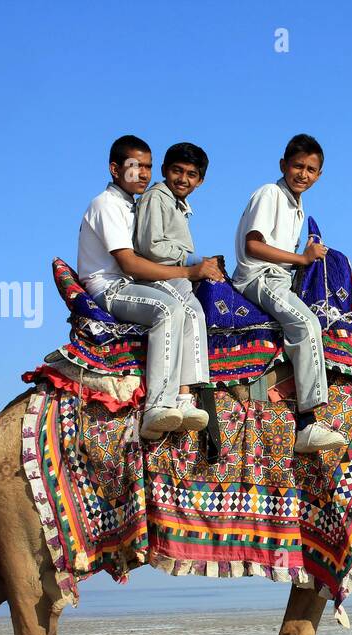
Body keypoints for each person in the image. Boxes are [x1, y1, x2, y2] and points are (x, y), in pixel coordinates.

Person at [77, 134, 223, 439]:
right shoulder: (106, 205)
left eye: (147, 167)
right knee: (168, 309)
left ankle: (185, 398)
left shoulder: (131, 205)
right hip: (110, 287)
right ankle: (158, 405)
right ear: (115, 169)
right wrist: (190, 270)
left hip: (128, 283)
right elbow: (131, 264)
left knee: (190, 308)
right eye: (134, 166)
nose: (143, 173)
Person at [232, 133, 347, 454]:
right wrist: (303, 259)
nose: (303, 174)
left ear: (319, 175)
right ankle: (308, 421)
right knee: (307, 324)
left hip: (279, 276)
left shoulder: (296, 204)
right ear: (283, 165)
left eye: (311, 170)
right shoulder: (270, 194)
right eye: (298, 166)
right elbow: (253, 245)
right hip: (260, 276)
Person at [133, 141, 220, 432]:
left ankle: (184, 396)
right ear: (164, 171)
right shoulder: (156, 197)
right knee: (184, 313)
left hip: (178, 276)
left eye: (191, 174)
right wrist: (194, 260)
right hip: (159, 277)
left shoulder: (177, 205)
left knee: (196, 314)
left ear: (201, 180)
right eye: (177, 171)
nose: (183, 179)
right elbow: (150, 246)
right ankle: (160, 402)